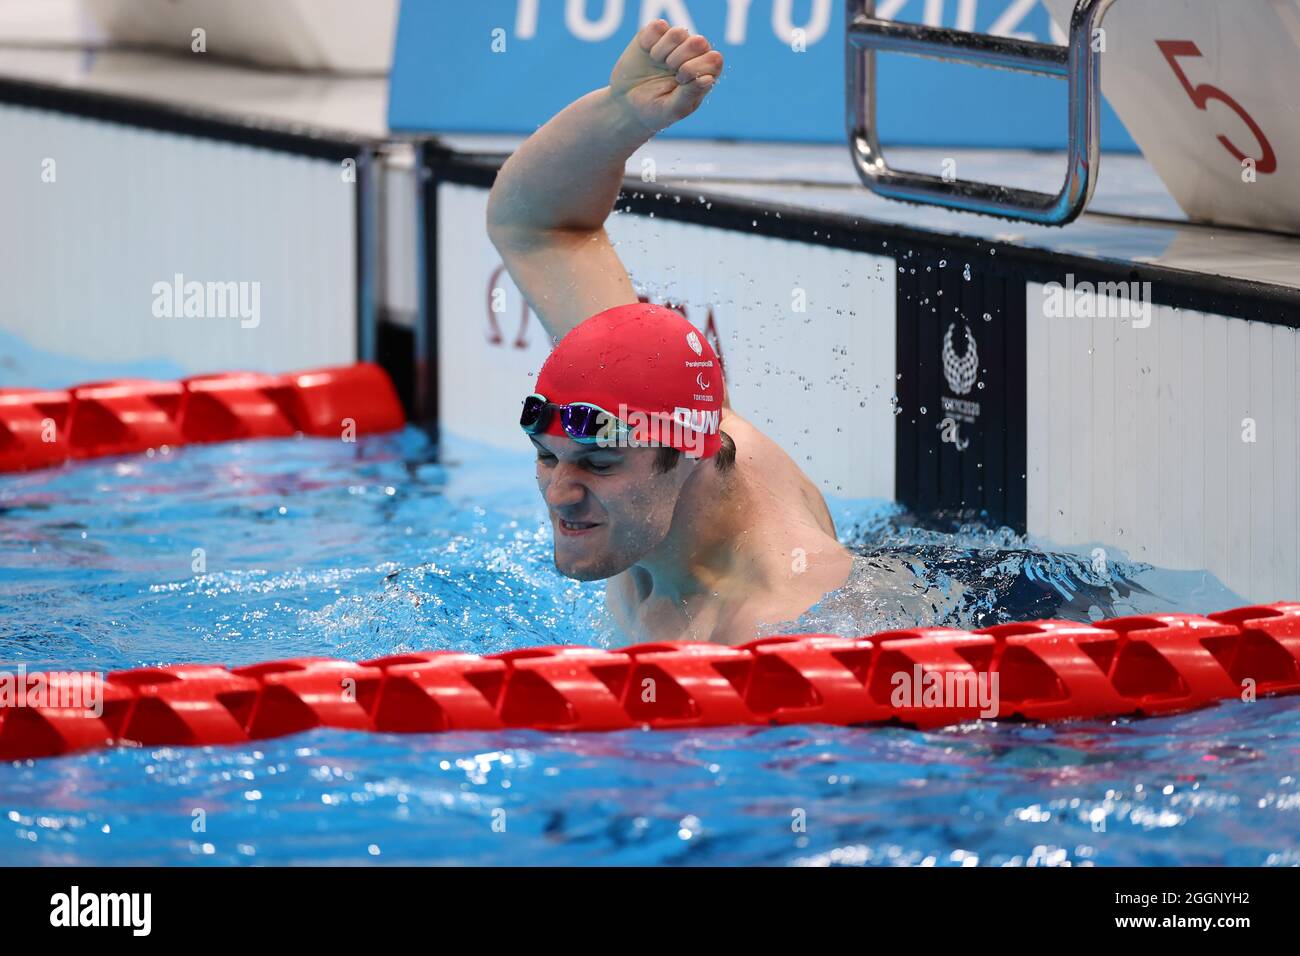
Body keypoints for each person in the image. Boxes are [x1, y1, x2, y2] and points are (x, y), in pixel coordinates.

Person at [487, 19, 865, 645]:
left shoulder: (786, 614)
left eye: (599, 465)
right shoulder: (636, 405)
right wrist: (619, 115)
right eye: (545, 456)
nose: (560, 493)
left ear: (694, 451)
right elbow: (533, 223)